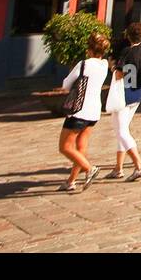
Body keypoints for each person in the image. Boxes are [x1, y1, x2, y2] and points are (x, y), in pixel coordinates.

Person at [58, 31, 111, 193]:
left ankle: (89, 169)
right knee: (81, 146)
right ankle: (71, 181)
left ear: (89, 49)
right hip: (94, 110)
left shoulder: (84, 64)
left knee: (65, 147)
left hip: (79, 110)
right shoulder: (104, 65)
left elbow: (66, 84)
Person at [107, 22, 141, 182]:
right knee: (122, 129)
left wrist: (112, 68)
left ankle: (139, 165)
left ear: (128, 36)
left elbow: (119, 73)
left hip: (124, 94)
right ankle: (118, 168)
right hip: (138, 93)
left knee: (121, 132)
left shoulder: (127, 52)